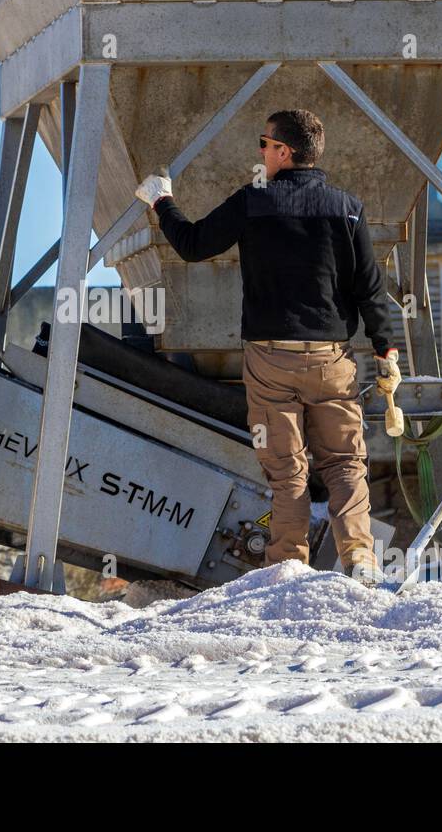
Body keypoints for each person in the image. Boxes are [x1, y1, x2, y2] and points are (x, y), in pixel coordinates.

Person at [134, 109, 399, 586]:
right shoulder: (348, 208)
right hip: (330, 360)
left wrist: (162, 201)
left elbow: (193, 244)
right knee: (343, 464)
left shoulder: (253, 203)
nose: (260, 152)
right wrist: (386, 350)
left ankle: (286, 570)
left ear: (284, 152)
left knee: (287, 471)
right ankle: (360, 558)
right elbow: (370, 290)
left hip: (269, 359)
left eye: (264, 143)